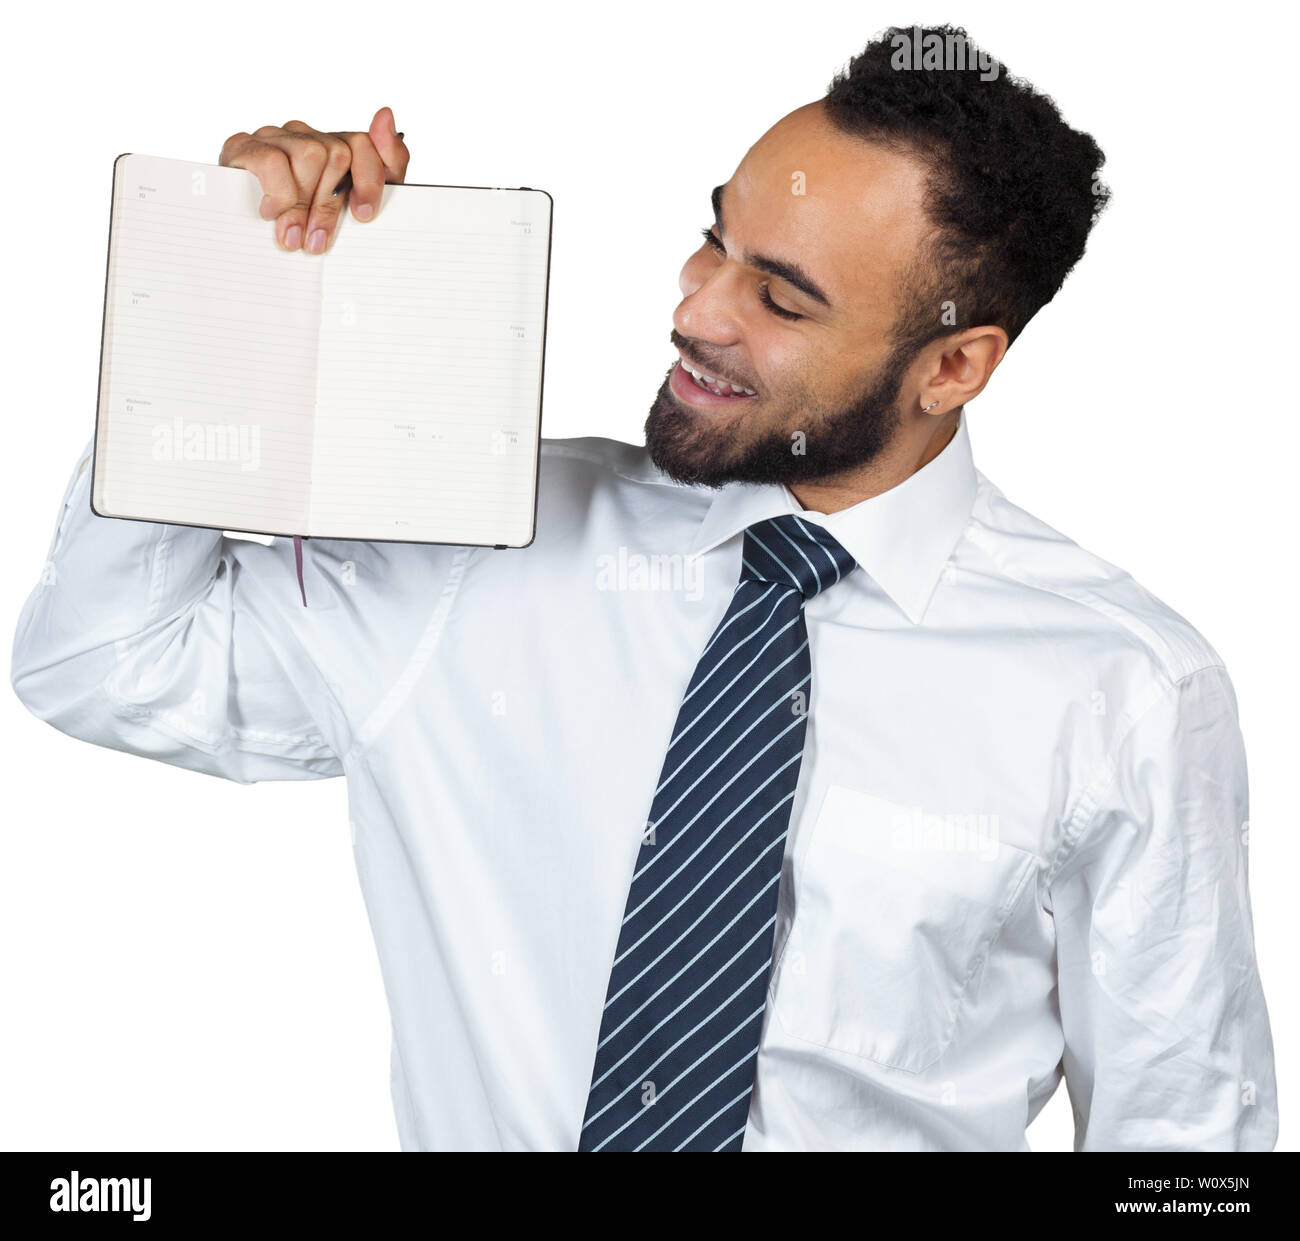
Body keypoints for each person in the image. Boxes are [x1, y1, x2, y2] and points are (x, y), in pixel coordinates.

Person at [11, 25, 1277, 1151]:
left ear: (951, 365)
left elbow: (1185, 1138)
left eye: (780, 298)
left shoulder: (1122, 687)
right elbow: (102, 660)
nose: (698, 310)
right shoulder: (484, 539)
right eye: (715, 240)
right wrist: (227, 286)